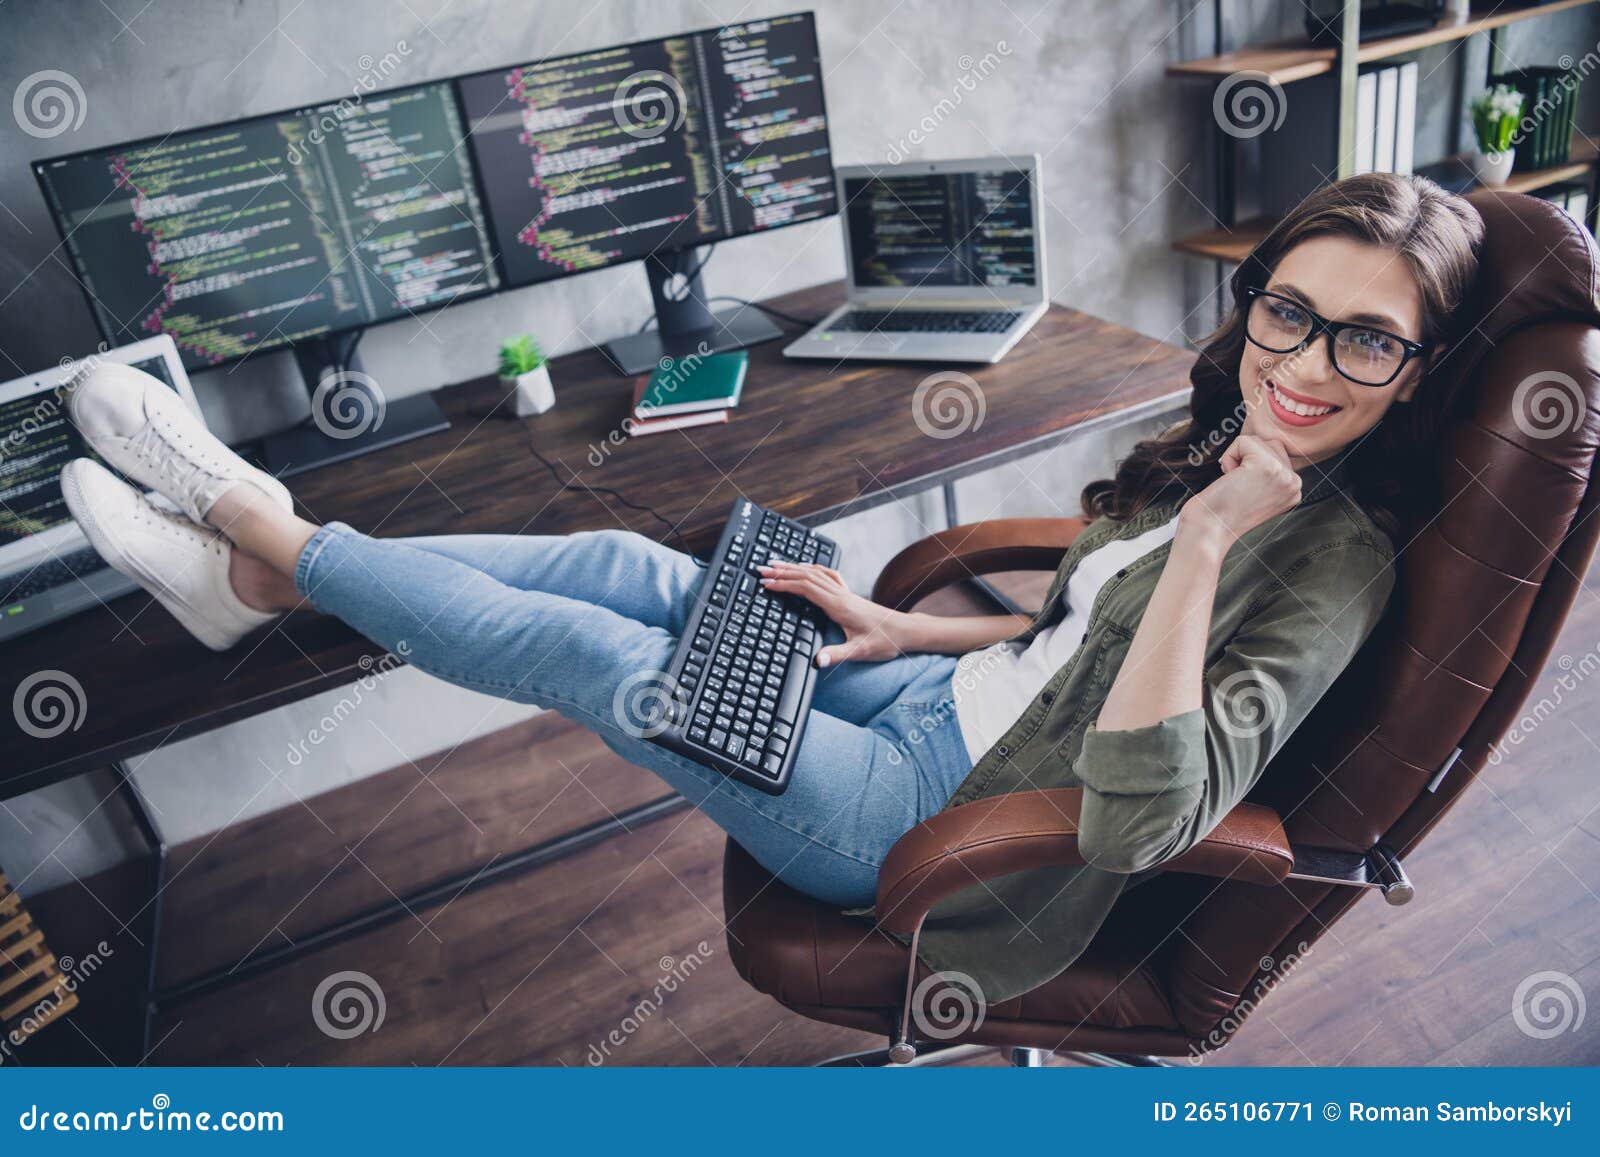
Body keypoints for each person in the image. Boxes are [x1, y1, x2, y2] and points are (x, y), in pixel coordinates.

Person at [59, 172, 1483, 1006]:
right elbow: (1076, 639)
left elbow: (1141, 815)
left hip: (941, 828)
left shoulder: (1327, 557)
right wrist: (900, 622)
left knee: (600, 659)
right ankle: (259, 579)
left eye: (1366, 341)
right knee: (629, 567)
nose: (1305, 365)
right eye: (1289, 313)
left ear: (1415, 374)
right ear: (1256, 303)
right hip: (928, 698)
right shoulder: (1233, 444)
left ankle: (255, 525)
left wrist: (1212, 537)